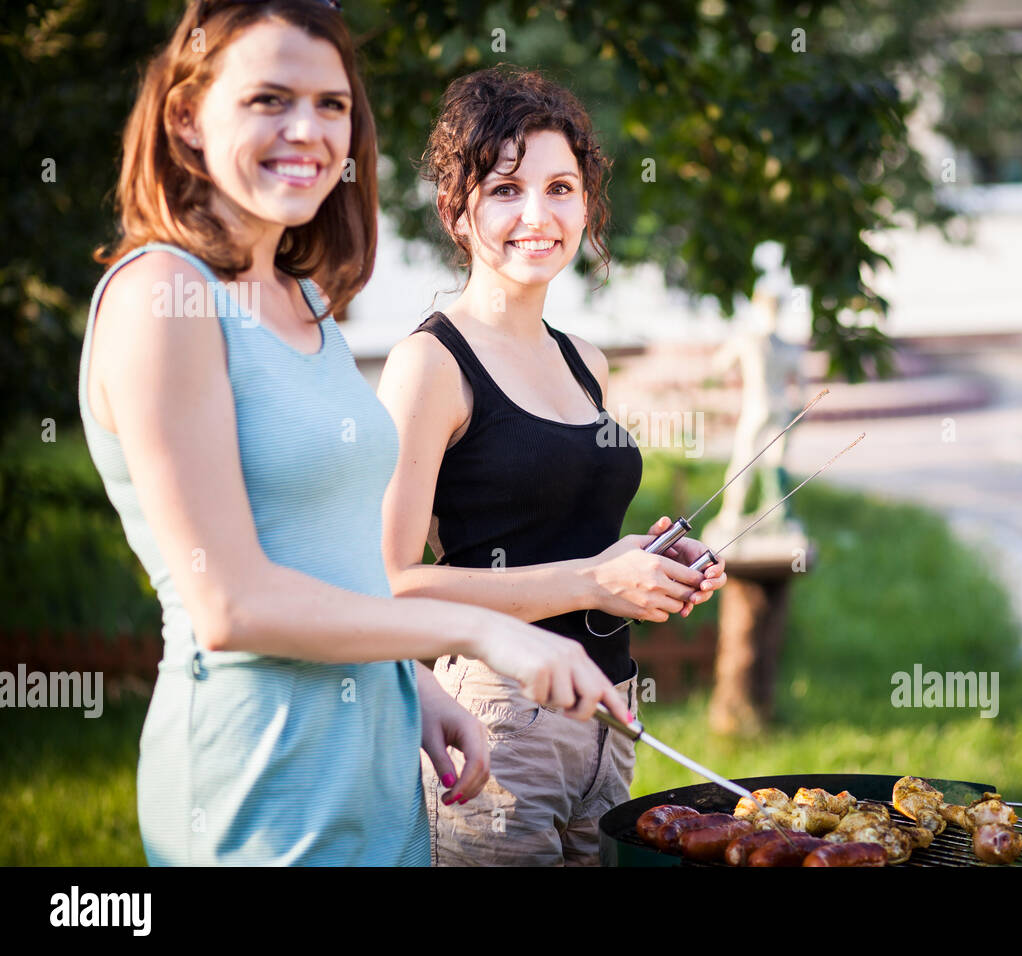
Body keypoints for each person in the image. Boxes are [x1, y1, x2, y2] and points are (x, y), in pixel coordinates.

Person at [78, 0, 625, 866]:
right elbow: (231, 604)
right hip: (261, 794)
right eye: (269, 99)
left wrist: (412, 685)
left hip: (379, 778)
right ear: (186, 117)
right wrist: (485, 634)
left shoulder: (306, 305)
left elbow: (334, 561)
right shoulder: (163, 296)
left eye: (332, 104)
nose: (308, 129)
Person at [377, 65, 728, 866]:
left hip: (609, 713)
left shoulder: (585, 362)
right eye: (505, 190)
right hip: (500, 723)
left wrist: (642, 561)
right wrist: (594, 582)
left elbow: (570, 539)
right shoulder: (430, 364)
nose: (537, 215)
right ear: (455, 213)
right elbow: (391, 582)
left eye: (560, 188)